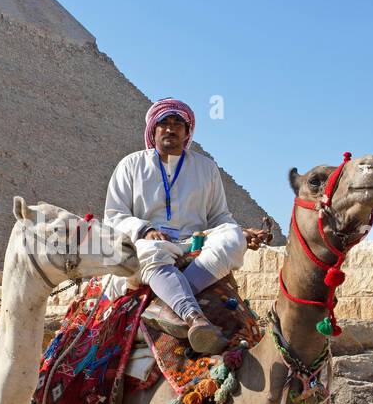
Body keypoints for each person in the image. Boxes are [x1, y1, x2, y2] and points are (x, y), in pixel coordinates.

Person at [103, 97, 266, 353]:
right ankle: (193, 316)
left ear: (187, 132)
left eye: (178, 124)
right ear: (152, 131)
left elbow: (219, 216)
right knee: (151, 251)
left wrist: (242, 232)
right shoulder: (131, 165)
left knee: (233, 236)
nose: (170, 129)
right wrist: (145, 229)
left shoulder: (206, 167)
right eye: (164, 123)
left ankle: (166, 306)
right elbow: (113, 216)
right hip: (148, 244)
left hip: (195, 243)